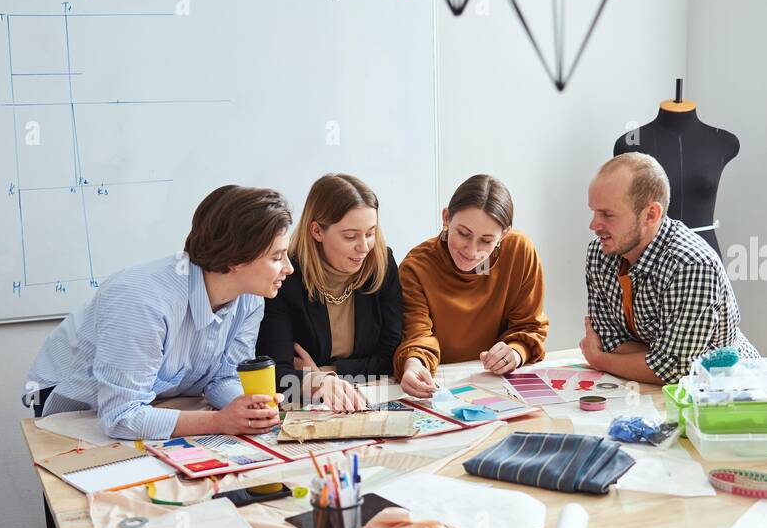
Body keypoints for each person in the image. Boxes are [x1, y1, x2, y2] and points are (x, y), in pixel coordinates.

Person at [23, 184, 293, 528]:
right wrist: (219, 421)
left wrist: (246, 408)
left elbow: (224, 375)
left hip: (160, 397)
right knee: (106, 513)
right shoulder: (142, 299)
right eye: (277, 257)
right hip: (73, 409)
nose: (288, 268)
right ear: (234, 259)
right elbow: (122, 415)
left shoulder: (250, 296)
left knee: (194, 486)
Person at [582, 152, 758, 384]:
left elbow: (674, 370)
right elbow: (608, 338)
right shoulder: (600, 253)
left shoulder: (692, 264)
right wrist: (655, 359)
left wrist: (598, 359)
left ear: (651, 215)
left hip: (728, 392)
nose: (594, 225)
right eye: (594, 211)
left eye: (607, 214)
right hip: (650, 387)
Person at [257, 172, 402, 412]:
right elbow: (275, 377)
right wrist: (317, 384)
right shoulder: (285, 278)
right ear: (317, 231)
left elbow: (391, 357)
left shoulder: (382, 264)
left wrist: (325, 374)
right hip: (311, 409)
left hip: (369, 397)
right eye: (350, 236)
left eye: (370, 233)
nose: (364, 246)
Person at [395, 174, 548, 398]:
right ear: (446, 218)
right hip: (438, 385)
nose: (472, 251)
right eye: (464, 234)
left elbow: (529, 326)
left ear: (503, 235)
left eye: (486, 241)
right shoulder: (416, 266)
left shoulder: (519, 251)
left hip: (497, 385)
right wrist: (414, 364)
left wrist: (515, 352)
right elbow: (417, 335)